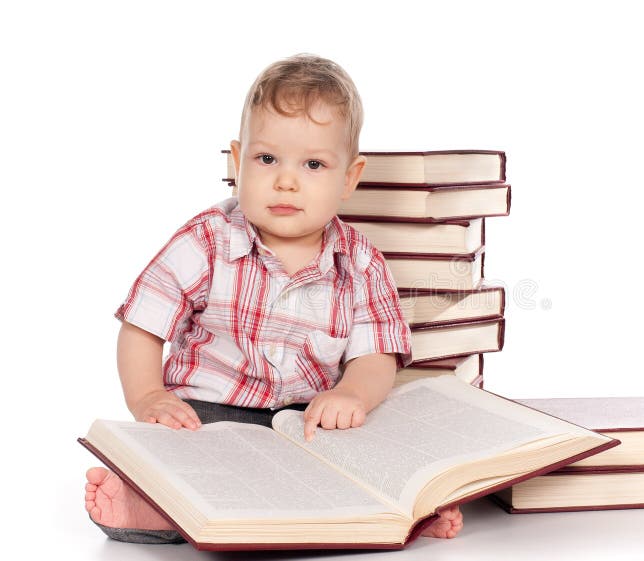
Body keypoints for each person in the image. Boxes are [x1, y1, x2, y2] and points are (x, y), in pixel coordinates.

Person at [83, 53, 464, 543]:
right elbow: (143, 324)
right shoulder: (207, 240)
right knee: (182, 462)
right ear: (237, 161)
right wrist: (148, 396)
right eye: (266, 160)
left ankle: (405, 509)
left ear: (349, 178)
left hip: (308, 419)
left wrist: (351, 393)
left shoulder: (360, 262)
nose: (286, 181)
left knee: (358, 455)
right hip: (209, 411)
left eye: (313, 164)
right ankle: (149, 508)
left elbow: (376, 355)